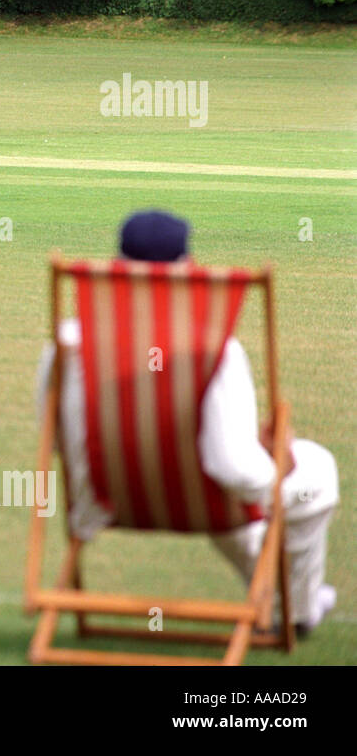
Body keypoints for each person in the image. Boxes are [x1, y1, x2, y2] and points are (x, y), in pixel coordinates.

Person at [37, 210, 339, 633]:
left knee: (222, 479)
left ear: (116, 265)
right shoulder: (213, 350)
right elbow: (233, 469)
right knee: (316, 472)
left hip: (99, 501)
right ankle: (299, 610)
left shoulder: (67, 343)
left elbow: (52, 442)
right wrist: (276, 464)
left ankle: (275, 595)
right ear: (186, 270)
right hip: (199, 504)